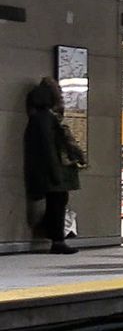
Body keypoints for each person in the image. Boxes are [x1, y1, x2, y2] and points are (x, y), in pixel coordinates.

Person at [23, 77, 86, 254]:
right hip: (54, 168)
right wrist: (54, 171)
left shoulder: (39, 117)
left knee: (57, 202)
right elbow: (50, 146)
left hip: (51, 168)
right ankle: (57, 240)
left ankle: (55, 236)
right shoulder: (46, 118)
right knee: (57, 202)